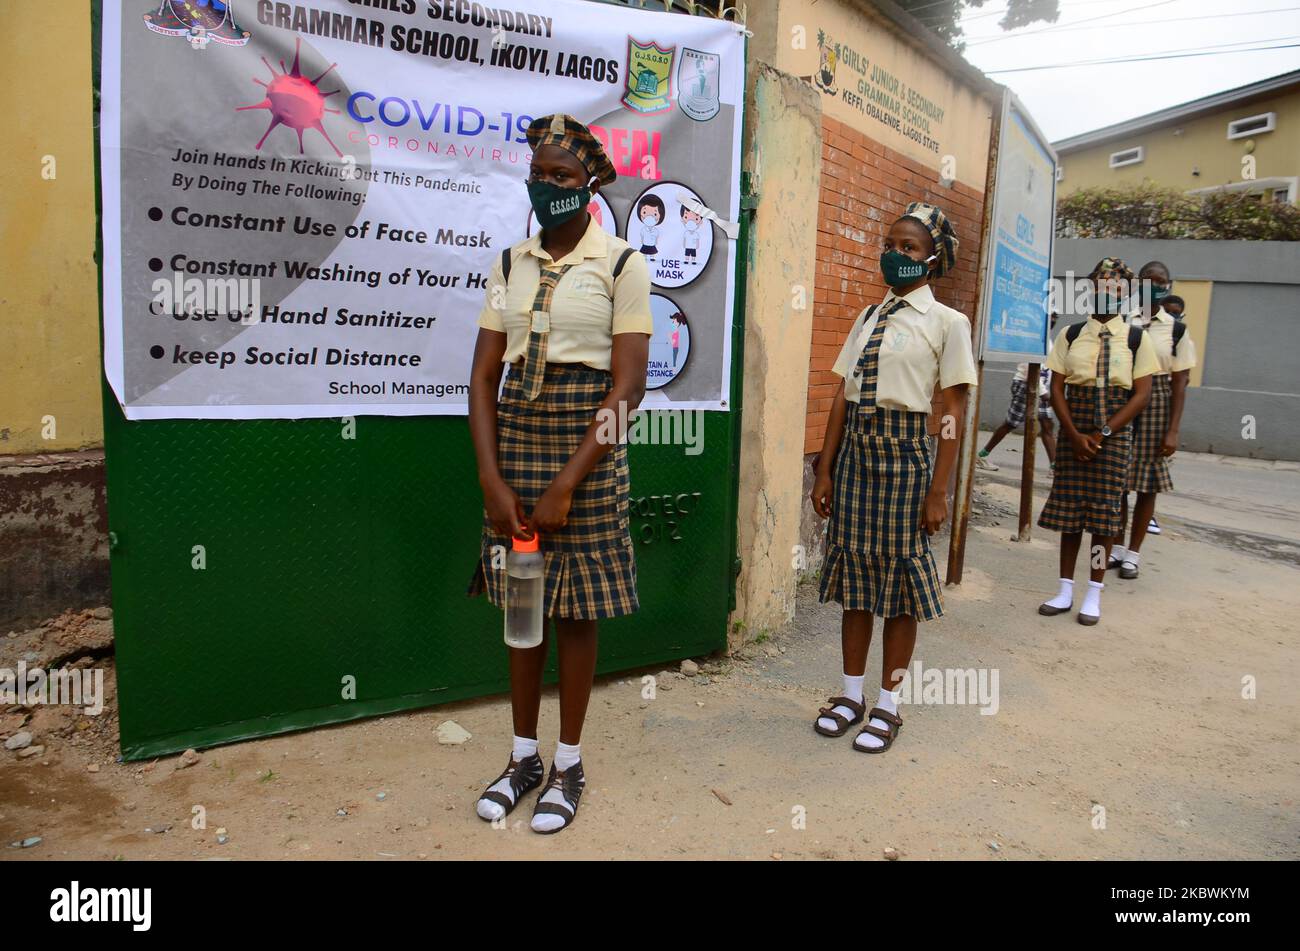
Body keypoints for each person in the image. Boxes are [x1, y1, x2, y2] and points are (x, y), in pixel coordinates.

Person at [466, 114, 652, 834]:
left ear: (592, 184)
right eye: (539, 173)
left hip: (589, 450)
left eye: (563, 176)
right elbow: (484, 377)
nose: (547, 186)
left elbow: (628, 388)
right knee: (523, 607)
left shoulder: (621, 263)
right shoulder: (511, 263)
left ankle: (568, 762)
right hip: (518, 442)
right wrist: (492, 475)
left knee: (575, 612)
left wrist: (571, 479)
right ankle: (522, 757)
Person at [810, 202, 977, 754]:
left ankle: (889, 704)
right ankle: (851, 694)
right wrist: (825, 467)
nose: (895, 254)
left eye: (908, 248)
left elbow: (951, 410)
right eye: (891, 244)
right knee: (856, 583)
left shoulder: (948, 324)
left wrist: (940, 490)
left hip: (905, 458)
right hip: (856, 455)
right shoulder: (867, 316)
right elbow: (842, 394)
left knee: (900, 590)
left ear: (932, 259)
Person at [1037, 257, 1157, 625]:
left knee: (1105, 518)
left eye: (1117, 284)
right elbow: (1056, 387)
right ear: (1091, 289)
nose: (1109, 289)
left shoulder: (1136, 337)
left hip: (1114, 433)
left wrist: (1102, 433)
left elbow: (1141, 395)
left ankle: (1093, 593)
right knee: (1070, 514)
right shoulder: (1071, 334)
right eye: (1102, 282)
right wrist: (1072, 435)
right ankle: (1064, 590)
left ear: (1127, 292)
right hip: (1075, 425)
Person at [1108, 261, 1198, 578]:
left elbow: (1180, 383)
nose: (1155, 284)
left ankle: (1133, 553)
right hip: (1123, 397)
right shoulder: (1123, 321)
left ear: (1168, 285)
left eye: (1161, 280)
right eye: (1149, 279)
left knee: (1147, 484)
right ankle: (1116, 546)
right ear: (1138, 284)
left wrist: (1172, 430)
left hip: (1157, 403)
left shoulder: (1176, 329)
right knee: (1117, 477)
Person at [976, 313, 1059, 471]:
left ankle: (1054, 466)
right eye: (1052, 316)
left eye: (1057, 317)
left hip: (1040, 387)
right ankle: (983, 455)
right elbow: (1028, 367)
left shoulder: (1047, 340)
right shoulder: (1034, 337)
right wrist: (1043, 392)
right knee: (1011, 423)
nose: (1054, 320)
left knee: (1047, 425)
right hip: (1026, 385)